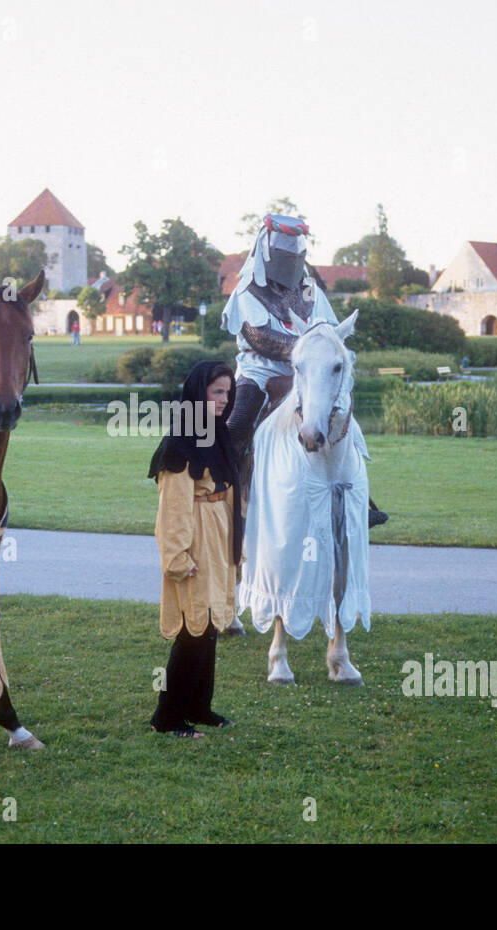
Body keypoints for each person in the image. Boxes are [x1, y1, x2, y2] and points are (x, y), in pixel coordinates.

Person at [221, 214, 386, 529]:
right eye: (285, 251)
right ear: (269, 252)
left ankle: (361, 499)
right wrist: (308, 346)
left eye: (297, 251)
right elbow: (260, 338)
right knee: (240, 420)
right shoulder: (247, 290)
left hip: (308, 372)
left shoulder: (311, 290)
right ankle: (223, 485)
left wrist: (318, 353)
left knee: (342, 417)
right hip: (260, 370)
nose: (292, 258)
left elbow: (331, 332)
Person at [148, 360, 241, 737]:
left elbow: (232, 492)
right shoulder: (180, 443)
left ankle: (199, 707)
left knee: (211, 625)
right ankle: (167, 717)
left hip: (218, 538)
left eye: (228, 392)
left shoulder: (218, 435)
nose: (224, 400)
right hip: (195, 539)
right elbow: (173, 507)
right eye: (217, 392)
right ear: (197, 392)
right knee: (192, 627)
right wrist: (177, 557)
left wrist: (236, 544)